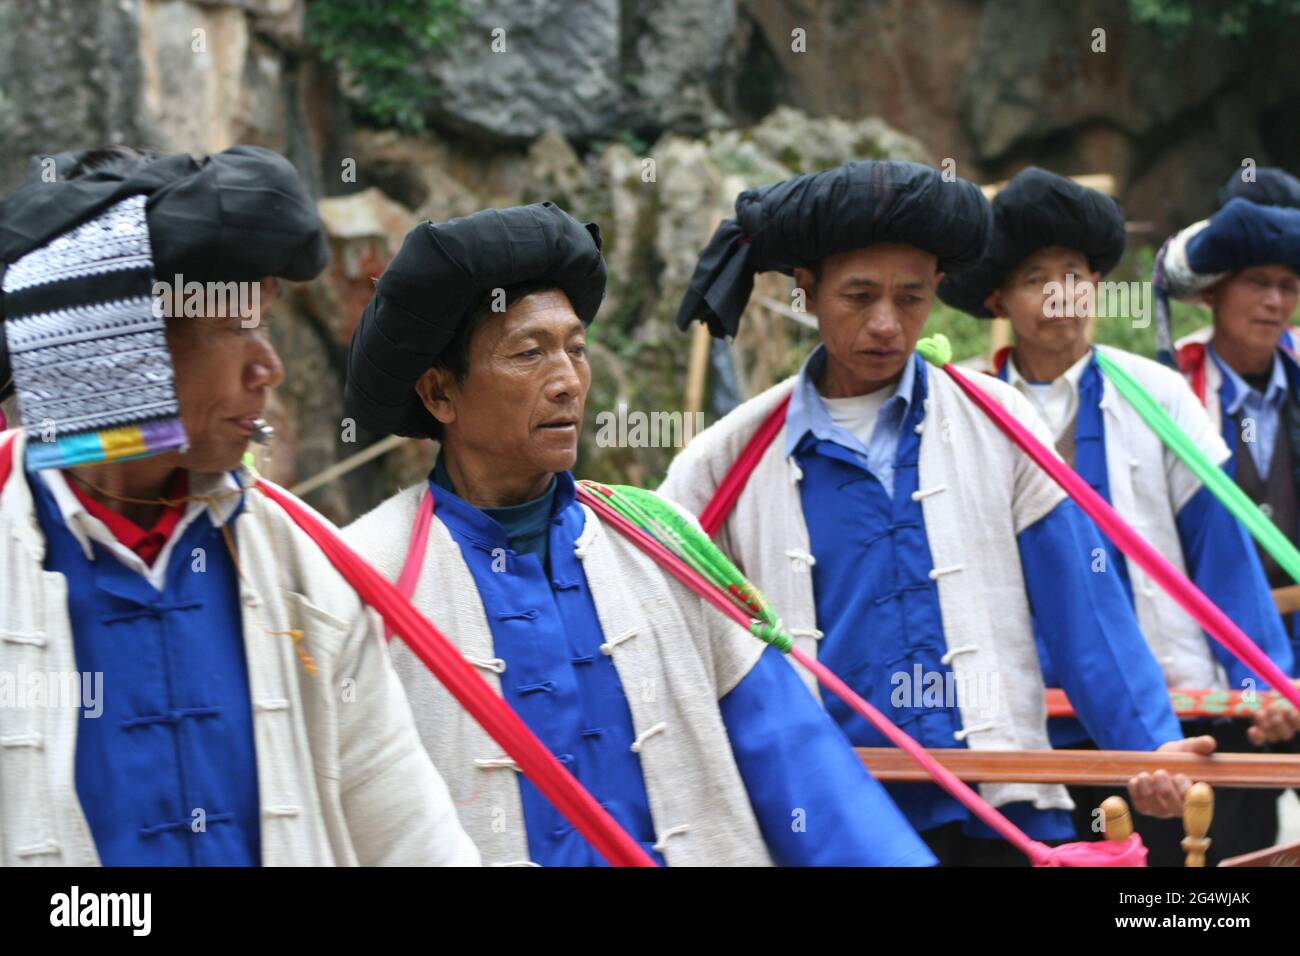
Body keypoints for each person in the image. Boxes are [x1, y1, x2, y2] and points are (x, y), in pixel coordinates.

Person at [342, 201, 935, 867]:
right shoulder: (368, 579)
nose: (567, 382)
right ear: (439, 393)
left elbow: (797, 763)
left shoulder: (659, 541)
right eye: (529, 353)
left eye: (575, 349)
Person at [661, 159, 1212, 866]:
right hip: (829, 820)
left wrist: (1149, 742)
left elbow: (1085, 608)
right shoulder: (722, 463)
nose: (886, 325)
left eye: (911, 298)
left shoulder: (999, 420)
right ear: (807, 290)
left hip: (997, 808)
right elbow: (685, 652)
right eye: (858, 296)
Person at [0, 145, 478, 866]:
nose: (271, 367)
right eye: (234, 327)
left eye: (265, 324)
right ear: (118, 354)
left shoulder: (303, 571)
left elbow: (410, 833)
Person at [938, 167, 1297, 864]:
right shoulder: (965, 410)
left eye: (1074, 272)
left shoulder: (1159, 396)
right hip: (1030, 721)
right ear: (998, 297)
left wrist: (1262, 684)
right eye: (1035, 277)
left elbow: (1220, 554)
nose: (1060, 294)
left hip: (1172, 708)